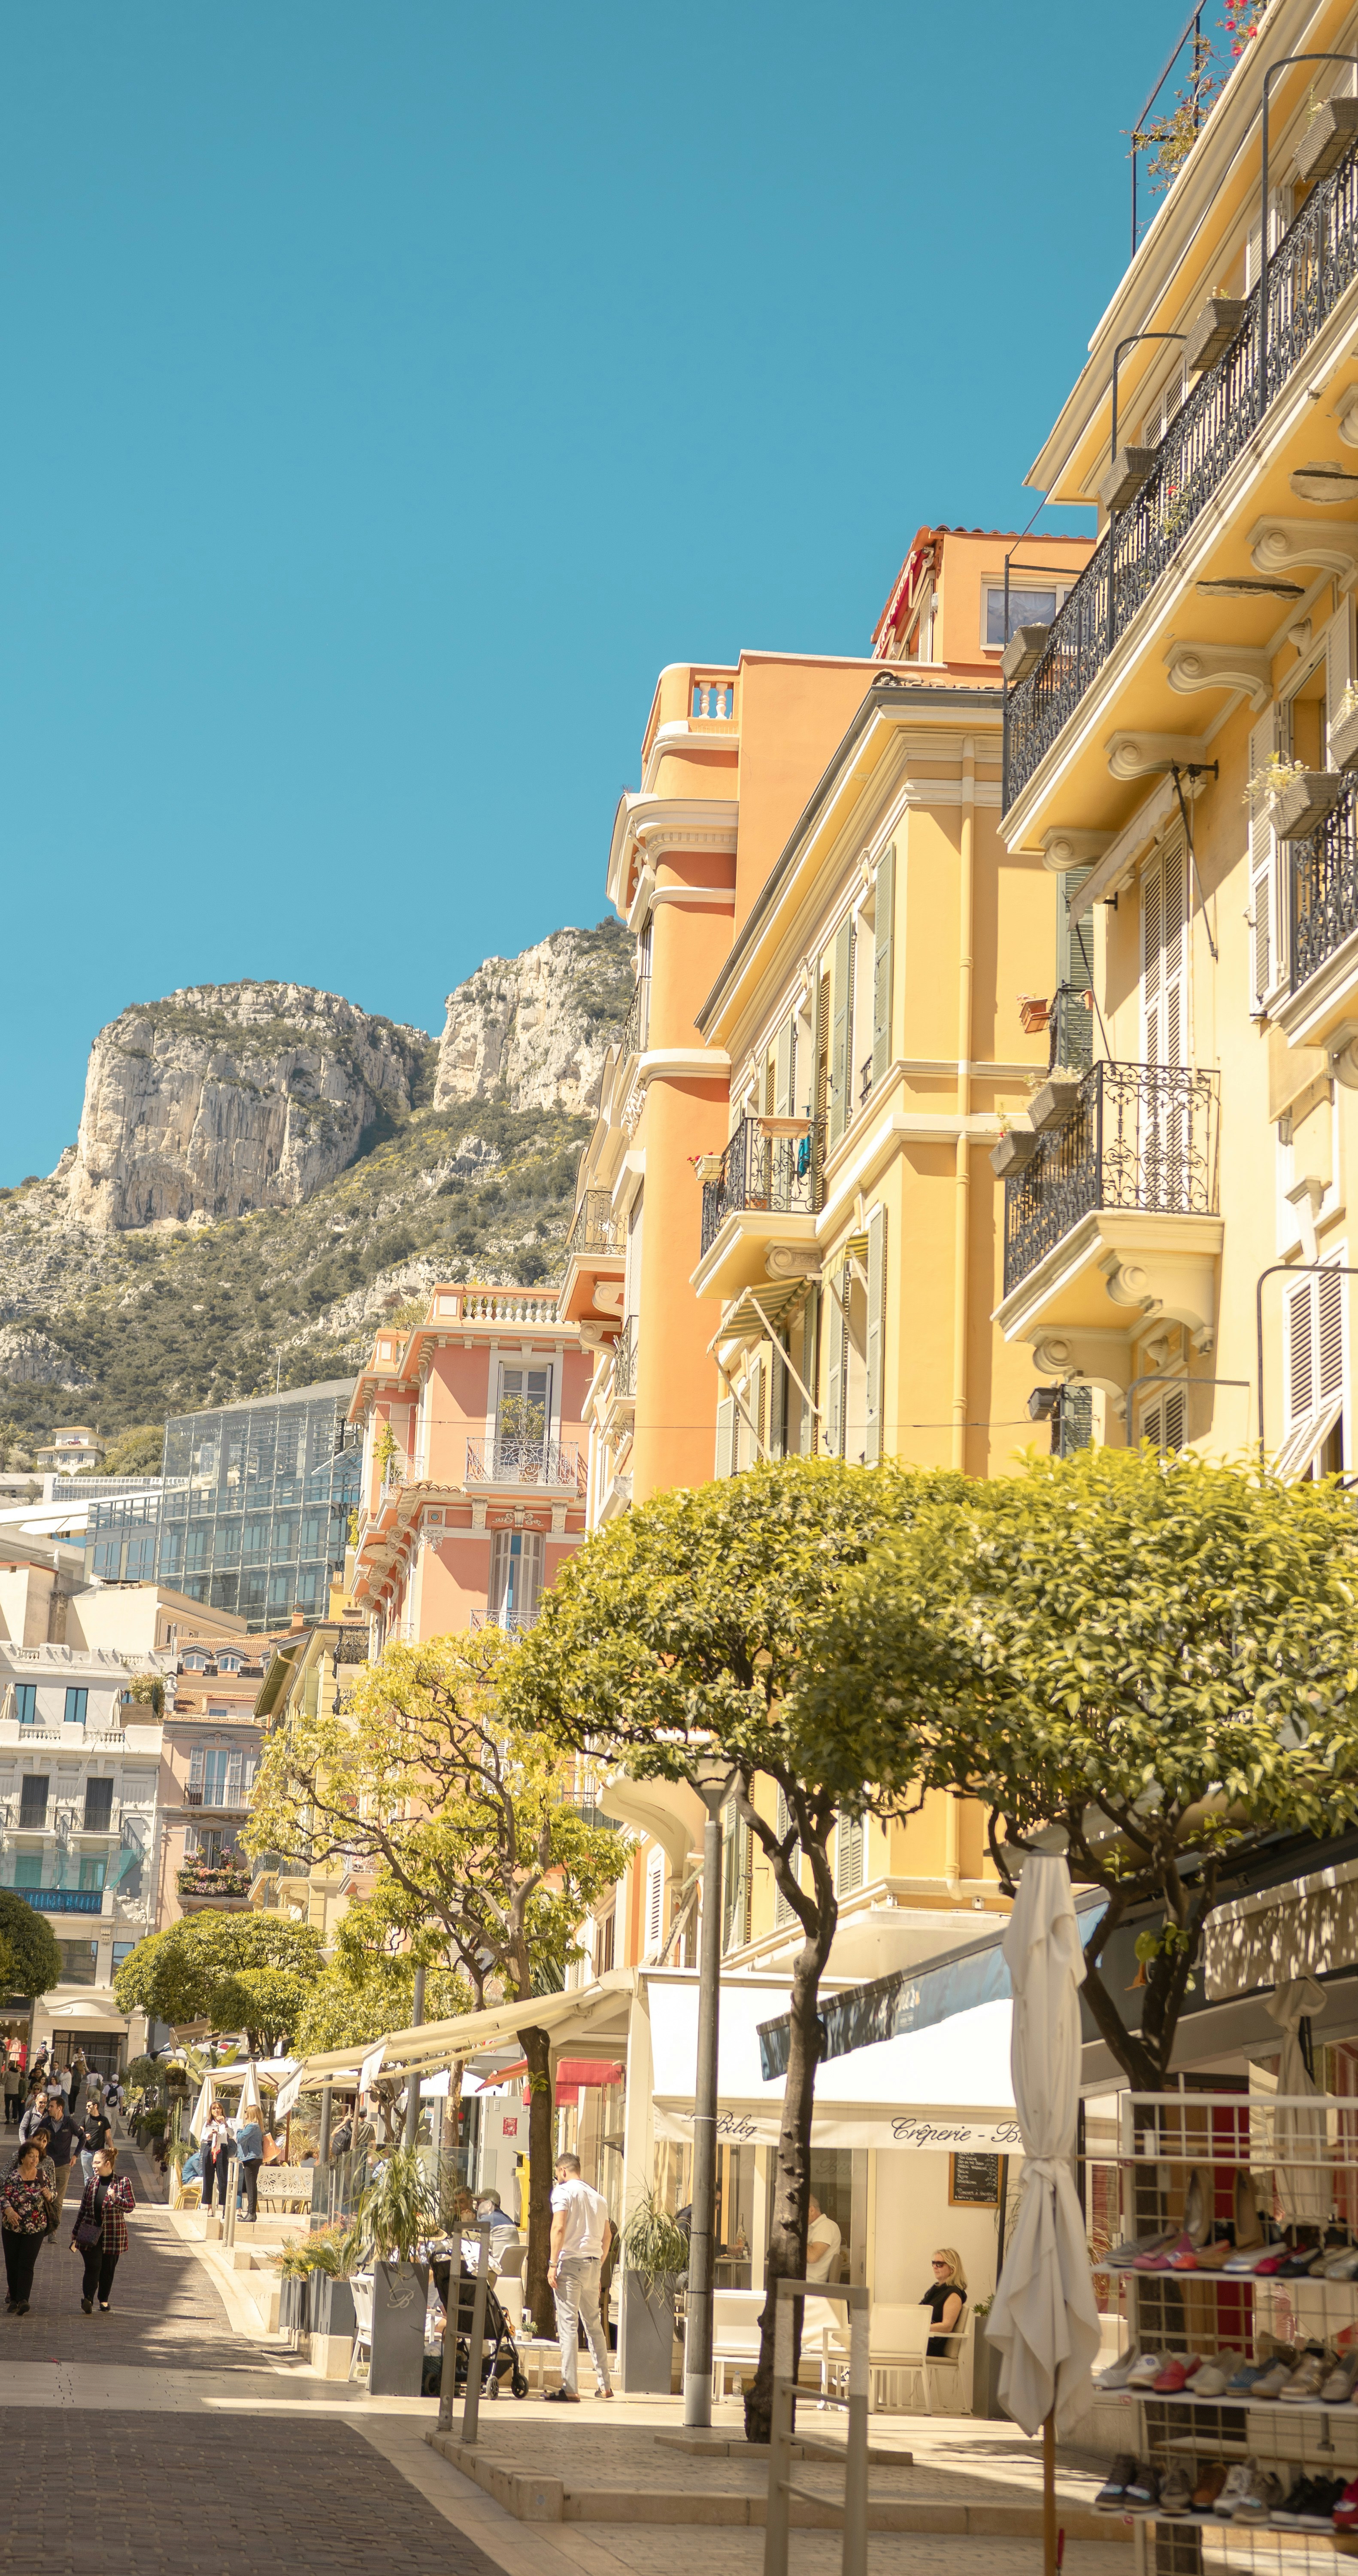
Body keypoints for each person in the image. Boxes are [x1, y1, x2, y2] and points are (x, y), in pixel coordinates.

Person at [544, 2151, 612, 2403]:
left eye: (557, 2175)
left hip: (570, 2264)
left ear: (562, 2171)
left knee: (568, 2325)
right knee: (594, 2326)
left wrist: (553, 2264)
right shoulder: (599, 2198)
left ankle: (570, 2387)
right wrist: (598, 2265)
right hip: (594, 2264)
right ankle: (605, 2385)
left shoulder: (562, 2192)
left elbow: (559, 2227)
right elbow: (608, 2237)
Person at [69, 2145, 134, 2313]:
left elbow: (130, 2206)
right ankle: (88, 2299)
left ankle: (104, 2300)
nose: (94, 2166)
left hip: (114, 2234)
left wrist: (116, 2198)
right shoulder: (91, 2183)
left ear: (108, 2164)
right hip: (92, 2233)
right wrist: (76, 2231)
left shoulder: (123, 2182)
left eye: (97, 2163)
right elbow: (83, 2208)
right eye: (93, 2163)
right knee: (93, 2266)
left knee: (108, 2269)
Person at [1, 2141, 55, 2313]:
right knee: (12, 2262)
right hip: (13, 2228)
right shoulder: (13, 2177)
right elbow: (3, 2196)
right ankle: (14, 2299)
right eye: (32, 2156)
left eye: (37, 2157)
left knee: (27, 2262)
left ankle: (24, 2299)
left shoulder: (42, 2176)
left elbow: (54, 2194)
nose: (35, 2160)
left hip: (36, 2227)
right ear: (23, 2158)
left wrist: (50, 2195)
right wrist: (9, 2211)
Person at [921, 2248, 966, 2357]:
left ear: (952, 2269)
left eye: (940, 2264)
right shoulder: (936, 2289)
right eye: (934, 2263)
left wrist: (919, 2327)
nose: (935, 2267)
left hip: (930, 2344)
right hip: (921, 2339)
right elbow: (920, 2311)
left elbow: (947, 2326)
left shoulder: (954, 2294)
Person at [200, 2101, 234, 2210]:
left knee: (223, 2178)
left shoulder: (226, 2122)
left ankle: (224, 2207)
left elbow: (232, 2134)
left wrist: (225, 2124)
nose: (216, 2110)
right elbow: (202, 2138)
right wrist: (209, 2135)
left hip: (222, 2150)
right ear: (211, 2111)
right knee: (208, 2178)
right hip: (209, 2148)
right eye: (214, 2109)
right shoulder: (208, 2123)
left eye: (218, 2108)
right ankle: (209, 2207)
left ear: (222, 2110)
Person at [233, 2108, 264, 2222]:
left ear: (250, 2113)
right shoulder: (256, 2126)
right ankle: (251, 2213)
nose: (245, 2113)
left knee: (251, 2188)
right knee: (252, 2187)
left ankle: (251, 2213)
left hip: (252, 2159)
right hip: (252, 2158)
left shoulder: (252, 2126)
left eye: (246, 2111)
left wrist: (239, 2129)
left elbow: (240, 2139)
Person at [806, 2195, 843, 2285]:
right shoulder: (812, 2227)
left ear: (812, 2210)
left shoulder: (826, 2226)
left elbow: (813, 2257)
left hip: (810, 2284)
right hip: (802, 2281)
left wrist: (795, 2236)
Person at [79, 2096, 112, 2187]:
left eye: (89, 2106)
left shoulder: (104, 2120)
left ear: (96, 2106)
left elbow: (108, 2136)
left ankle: (98, 2196)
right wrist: (84, 2135)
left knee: (100, 2176)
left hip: (99, 2152)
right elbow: (80, 2132)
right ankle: (89, 2196)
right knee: (88, 2178)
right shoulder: (85, 2119)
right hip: (86, 2152)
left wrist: (111, 2148)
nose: (87, 2108)